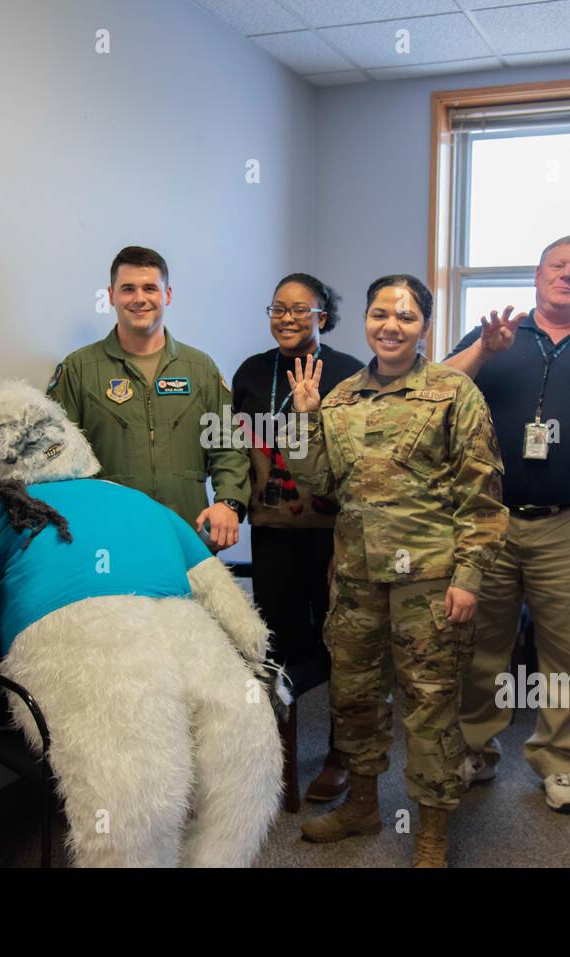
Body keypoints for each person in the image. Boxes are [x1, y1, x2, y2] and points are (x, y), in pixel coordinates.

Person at [0, 379, 284, 867]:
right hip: (83, 640)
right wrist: (254, 649)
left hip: (177, 622)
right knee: (136, 779)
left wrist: (252, 645)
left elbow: (209, 580)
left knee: (246, 745)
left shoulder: (134, 499)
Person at [288, 274, 508, 867]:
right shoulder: (337, 399)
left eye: (406, 317)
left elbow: (482, 495)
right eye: (381, 314)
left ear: (425, 327)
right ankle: (362, 805)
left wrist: (469, 576)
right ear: (364, 320)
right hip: (357, 582)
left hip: (430, 584)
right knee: (355, 699)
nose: (391, 326)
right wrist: (304, 421)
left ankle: (433, 833)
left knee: (431, 708)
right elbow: (318, 486)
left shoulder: (453, 391)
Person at [442, 235, 570, 813]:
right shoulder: (494, 336)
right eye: (558, 266)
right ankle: (477, 749)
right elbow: (435, 394)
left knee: (569, 652)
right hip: (491, 521)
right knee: (482, 644)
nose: (568, 275)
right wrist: (484, 351)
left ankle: (558, 761)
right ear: (537, 275)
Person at [231, 273, 365, 804]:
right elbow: (235, 450)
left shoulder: (351, 374)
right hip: (272, 533)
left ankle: (342, 752)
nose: (287, 318)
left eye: (300, 310)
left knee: (345, 644)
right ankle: (279, 750)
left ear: (323, 317)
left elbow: (360, 465)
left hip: (334, 535)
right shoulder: (250, 372)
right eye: (278, 309)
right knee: (283, 642)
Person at [47, 245, 250, 549]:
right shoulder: (79, 369)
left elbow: (228, 446)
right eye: (128, 288)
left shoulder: (199, 368)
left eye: (150, 288)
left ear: (167, 295)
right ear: (111, 295)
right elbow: (58, 460)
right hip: (109, 538)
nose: (139, 298)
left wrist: (228, 503)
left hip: (188, 536)